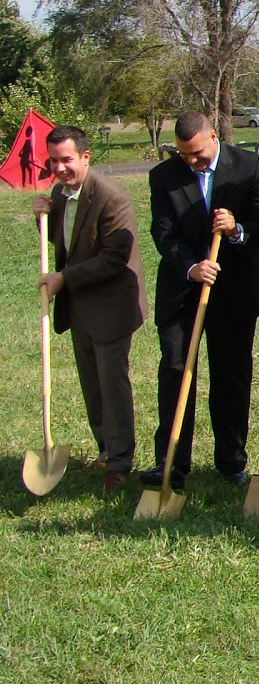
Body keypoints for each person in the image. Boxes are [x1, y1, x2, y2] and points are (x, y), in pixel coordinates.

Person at [144, 110, 259, 489]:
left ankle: (231, 460)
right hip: (183, 291)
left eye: (198, 154)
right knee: (175, 369)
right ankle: (172, 460)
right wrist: (191, 267)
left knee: (231, 373)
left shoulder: (249, 166)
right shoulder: (163, 177)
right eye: (184, 155)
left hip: (234, 290)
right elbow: (163, 233)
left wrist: (236, 230)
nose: (191, 161)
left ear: (214, 136)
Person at [33, 126, 146, 493]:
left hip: (112, 306)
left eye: (66, 159)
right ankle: (105, 447)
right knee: (92, 385)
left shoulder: (112, 199)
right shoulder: (61, 194)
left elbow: (114, 257)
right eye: (53, 161)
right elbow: (68, 240)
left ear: (85, 156)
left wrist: (64, 278)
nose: (60, 168)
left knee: (112, 386)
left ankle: (120, 462)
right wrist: (43, 219)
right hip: (81, 306)